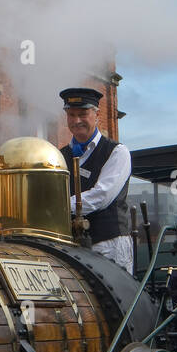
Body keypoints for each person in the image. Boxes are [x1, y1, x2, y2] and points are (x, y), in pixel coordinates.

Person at [58, 87, 133, 271]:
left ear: (97, 115)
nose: (76, 121)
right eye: (71, 115)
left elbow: (102, 195)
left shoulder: (117, 152)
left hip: (109, 244)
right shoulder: (60, 156)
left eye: (83, 114)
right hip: (71, 246)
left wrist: (58, 208)